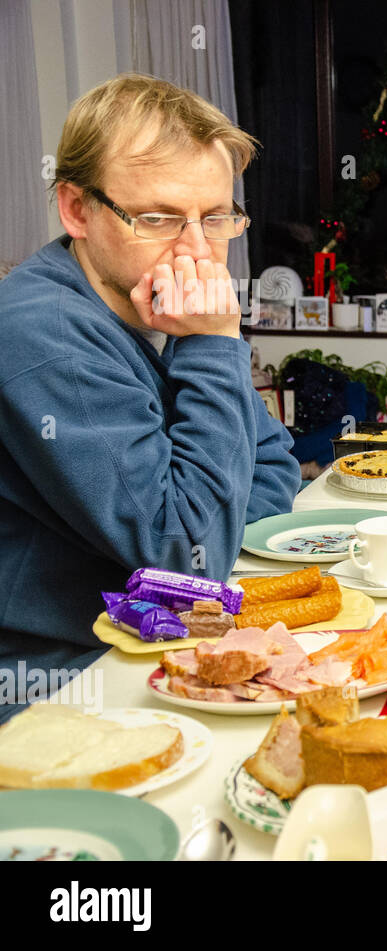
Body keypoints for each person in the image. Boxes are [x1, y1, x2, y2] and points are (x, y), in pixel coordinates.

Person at [0, 74, 299, 720]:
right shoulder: (46, 334)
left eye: (216, 217)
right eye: (160, 218)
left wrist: (206, 527)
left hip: (143, 654)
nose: (197, 250)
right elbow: (186, 552)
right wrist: (214, 340)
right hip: (56, 693)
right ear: (77, 209)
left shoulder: (152, 305)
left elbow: (274, 469)